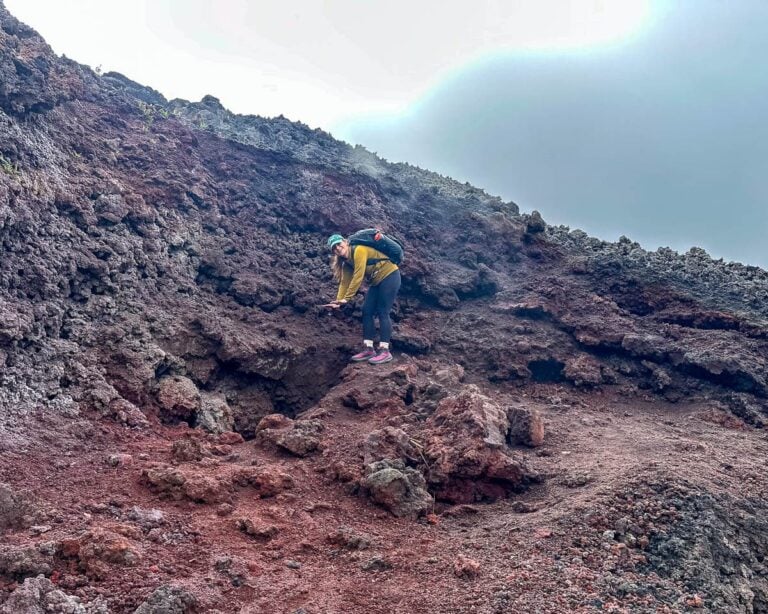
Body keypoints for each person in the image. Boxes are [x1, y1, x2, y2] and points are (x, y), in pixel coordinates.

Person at [324, 233, 401, 364]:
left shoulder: (359, 250)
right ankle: (368, 349)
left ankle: (385, 350)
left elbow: (358, 276)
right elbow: (344, 282)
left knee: (383, 311)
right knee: (366, 310)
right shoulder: (346, 263)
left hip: (390, 275)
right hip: (376, 282)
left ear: (345, 242)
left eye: (338, 244)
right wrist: (339, 301)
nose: (337, 248)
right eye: (334, 248)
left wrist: (347, 298)